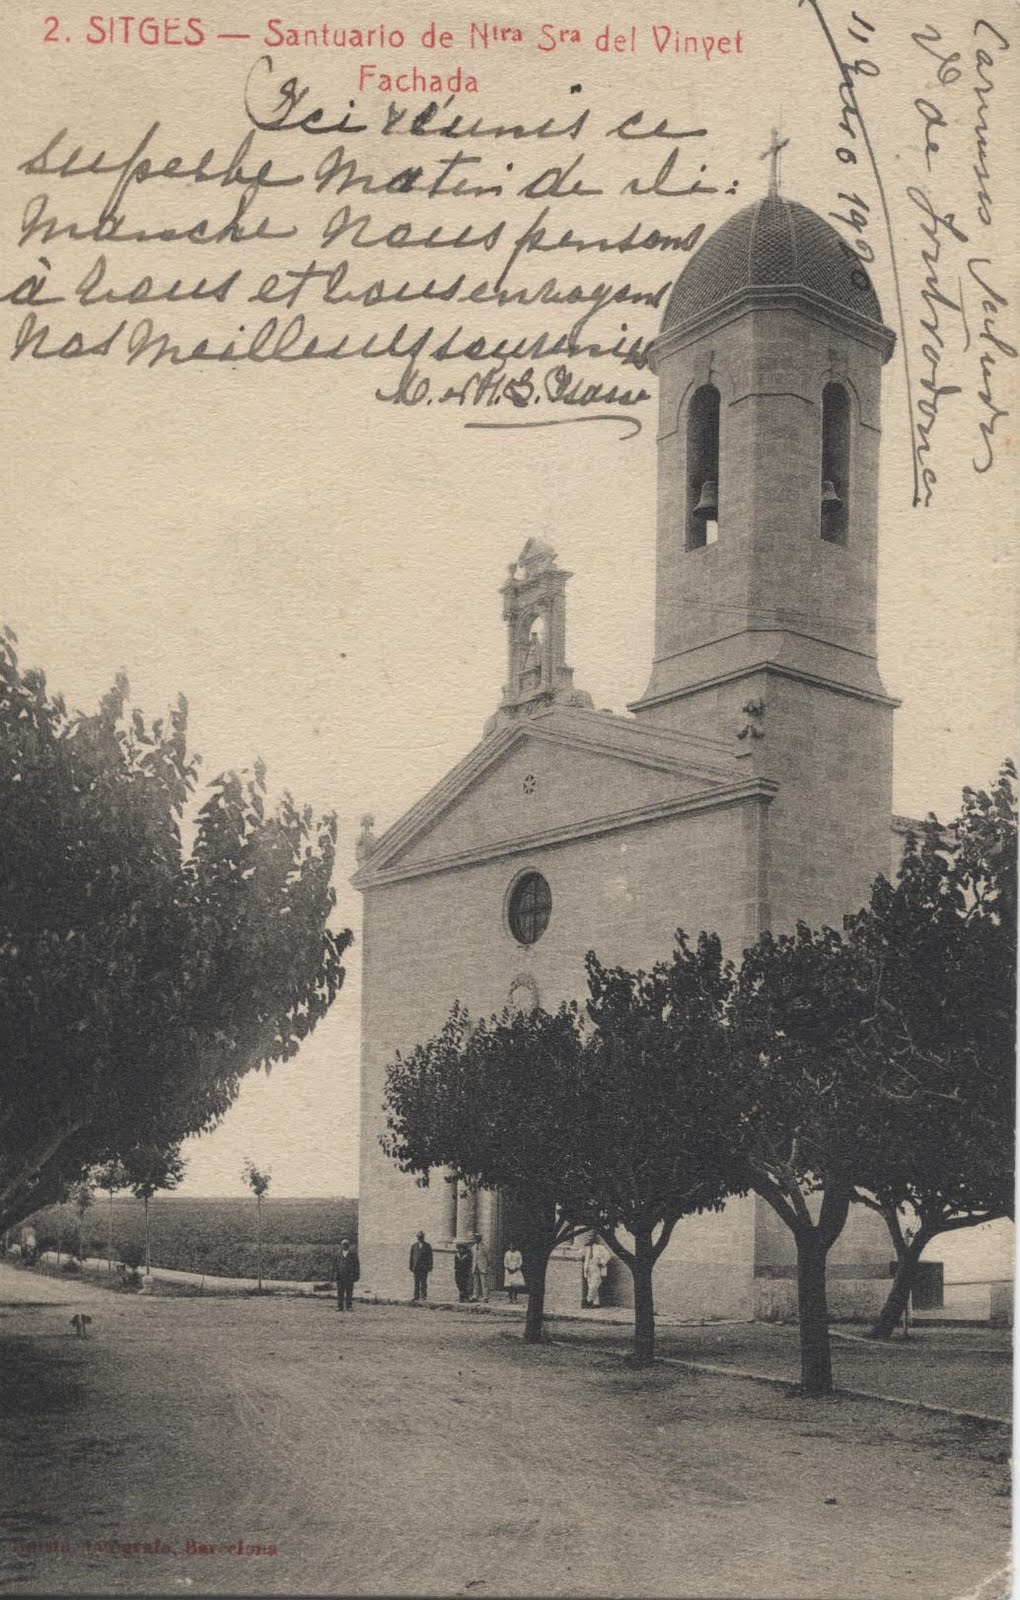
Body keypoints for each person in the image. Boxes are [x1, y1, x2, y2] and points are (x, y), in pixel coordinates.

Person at [582, 1234, 612, 1308]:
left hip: (596, 1268)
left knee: (594, 1285)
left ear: (594, 1239)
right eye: (587, 1238)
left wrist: (602, 1262)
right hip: (588, 1268)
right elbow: (579, 1254)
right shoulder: (586, 1248)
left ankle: (588, 1300)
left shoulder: (600, 1247)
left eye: (590, 1238)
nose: (588, 1240)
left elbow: (608, 1255)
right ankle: (596, 1303)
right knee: (590, 1285)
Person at [334, 1237, 360, 1311]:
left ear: (348, 1246)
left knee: (349, 1292)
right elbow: (335, 1266)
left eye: (346, 1244)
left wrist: (356, 1276)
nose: (345, 1246)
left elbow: (356, 1266)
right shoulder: (338, 1255)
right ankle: (340, 1307)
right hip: (340, 1277)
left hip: (349, 1277)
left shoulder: (353, 1255)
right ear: (341, 1245)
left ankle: (349, 1306)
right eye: (343, 1244)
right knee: (340, 1293)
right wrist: (335, 1275)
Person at [409, 1230, 433, 1303]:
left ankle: (423, 1296)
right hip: (416, 1268)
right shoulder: (414, 1246)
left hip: (424, 1268)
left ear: (423, 1237)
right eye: (418, 1237)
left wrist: (430, 1266)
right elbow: (411, 1257)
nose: (419, 1238)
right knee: (416, 1283)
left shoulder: (427, 1246)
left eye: (421, 1237)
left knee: (423, 1283)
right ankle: (416, 1296)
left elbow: (430, 1257)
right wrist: (411, 1266)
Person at [471, 1234, 490, 1303]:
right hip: (475, 1266)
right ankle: (475, 1296)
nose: (477, 1240)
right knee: (475, 1282)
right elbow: (473, 1257)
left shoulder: (484, 1247)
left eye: (478, 1238)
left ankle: (485, 1297)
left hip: (482, 1266)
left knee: (484, 1282)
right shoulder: (473, 1247)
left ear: (480, 1239)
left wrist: (487, 1266)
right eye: (476, 1238)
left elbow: (488, 1257)